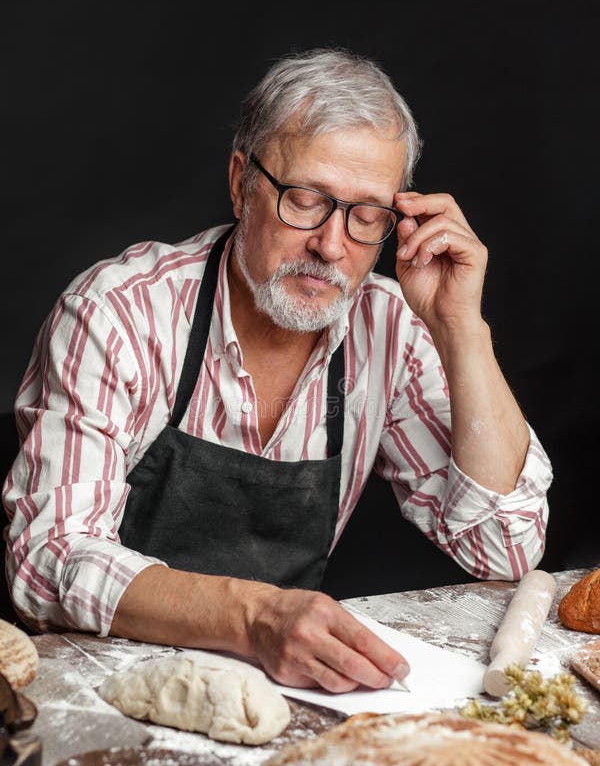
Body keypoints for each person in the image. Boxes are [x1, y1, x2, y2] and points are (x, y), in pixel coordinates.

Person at [2, 47, 552, 693]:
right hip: (96, 681)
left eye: (365, 214)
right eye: (305, 199)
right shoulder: (120, 312)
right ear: (241, 182)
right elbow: (46, 560)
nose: (331, 244)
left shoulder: (393, 326)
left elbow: (504, 549)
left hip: (279, 689)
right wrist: (254, 616)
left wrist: (462, 329)